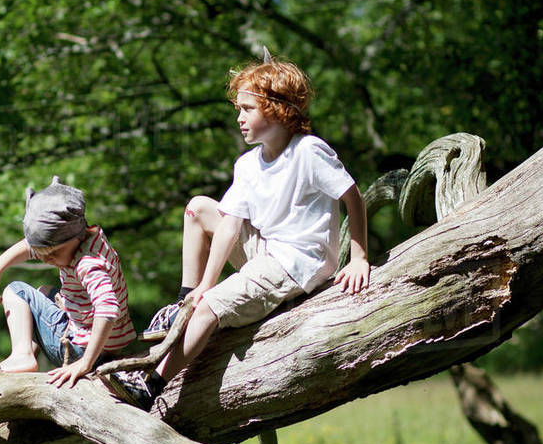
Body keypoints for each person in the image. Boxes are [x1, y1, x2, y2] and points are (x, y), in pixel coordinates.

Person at [106, 56, 370, 410]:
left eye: (247, 108)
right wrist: (202, 285)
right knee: (198, 208)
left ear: (277, 110)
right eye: (238, 108)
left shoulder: (308, 152)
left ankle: (151, 383)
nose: (239, 117)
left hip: (295, 263)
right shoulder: (247, 164)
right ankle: (183, 302)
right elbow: (229, 222)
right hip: (267, 248)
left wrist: (359, 257)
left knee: (210, 309)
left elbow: (353, 196)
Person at [0, 177, 137, 387]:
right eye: (42, 254)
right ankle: (26, 355)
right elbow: (32, 247)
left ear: (73, 237)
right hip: (107, 345)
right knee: (44, 292)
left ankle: (22, 355)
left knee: (16, 291)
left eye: (52, 253)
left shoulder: (88, 264)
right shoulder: (88, 239)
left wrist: (85, 364)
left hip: (82, 351)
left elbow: (107, 309)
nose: (47, 260)